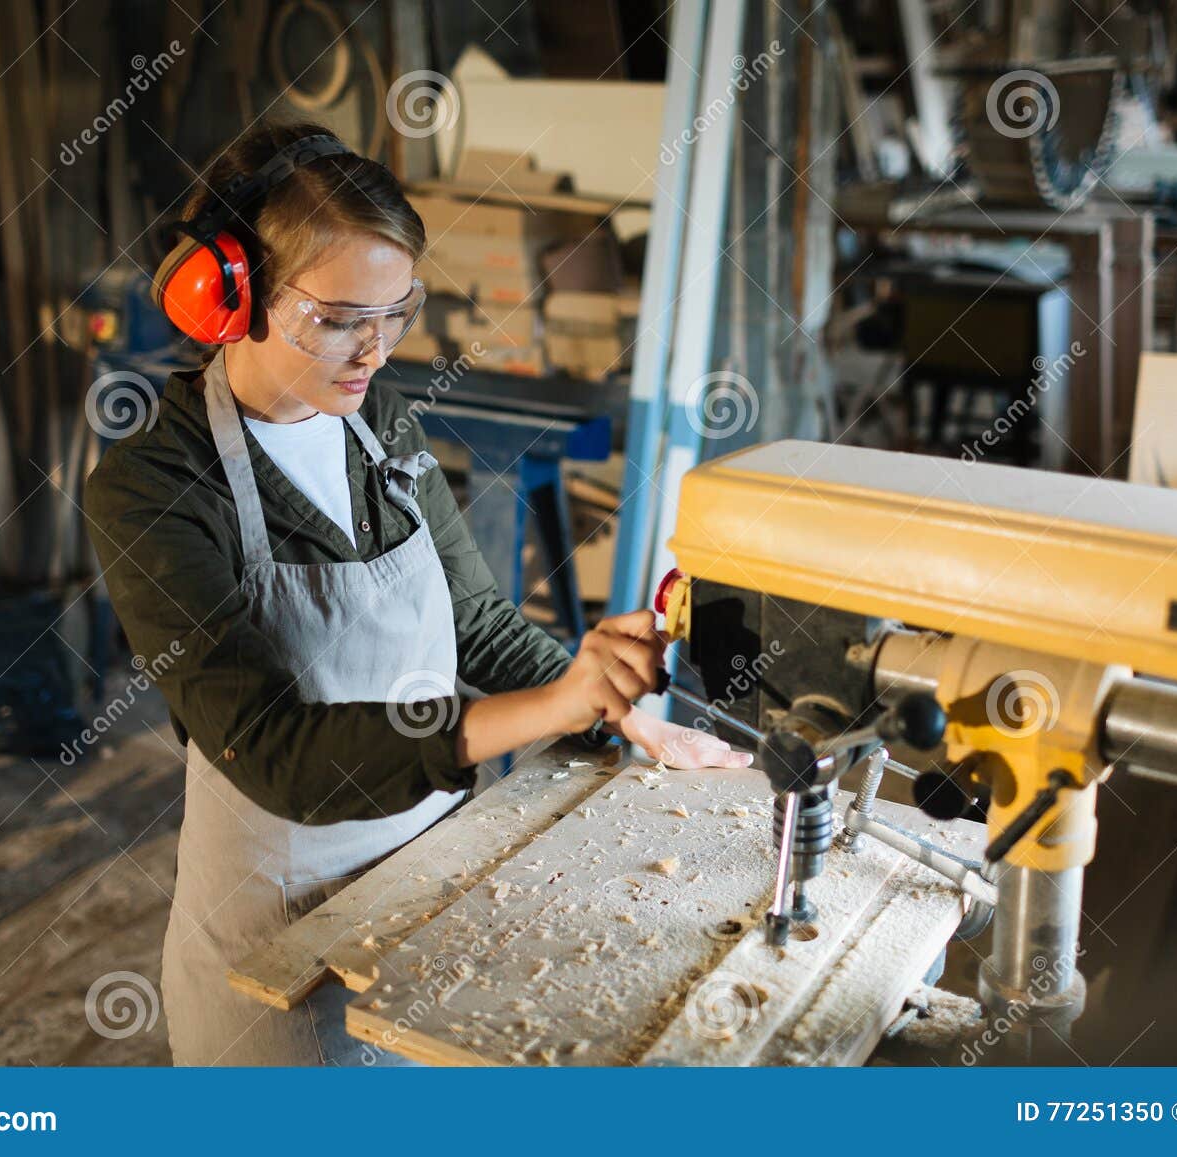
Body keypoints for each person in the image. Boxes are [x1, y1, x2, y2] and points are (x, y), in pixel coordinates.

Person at [84, 122, 751, 1066]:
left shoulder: (379, 423)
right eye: (338, 319)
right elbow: (273, 751)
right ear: (232, 297)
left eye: (396, 313)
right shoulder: (154, 486)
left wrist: (621, 710)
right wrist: (552, 707)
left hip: (427, 889)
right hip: (278, 946)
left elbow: (477, 623)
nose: (373, 351)